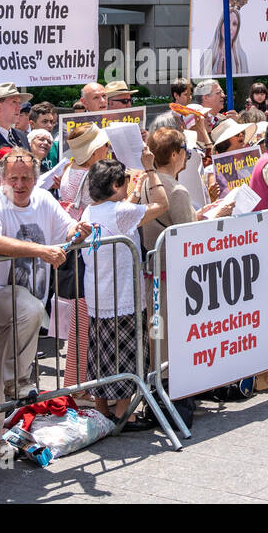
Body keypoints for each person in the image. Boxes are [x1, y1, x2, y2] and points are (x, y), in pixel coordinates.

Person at [0, 149, 92, 456]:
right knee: (25, 316)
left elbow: (67, 228)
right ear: (2, 179)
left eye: (26, 178)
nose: (20, 184)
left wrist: (77, 230)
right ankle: (17, 381)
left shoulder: (43, 200)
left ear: (36, 179)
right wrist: (40, 251)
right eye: (13, 178)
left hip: (28, 302)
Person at [81, 156, 168, 427]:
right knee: (129, 356)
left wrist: (134, 187)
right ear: (116, 185)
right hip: (124, 298)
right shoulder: (120, 212)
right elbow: (161, 205)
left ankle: (101, 411)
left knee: (101, 356)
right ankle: (121, 414)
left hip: (99, 296)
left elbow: (122, 214)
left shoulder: (90, 211)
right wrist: (151, 170)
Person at [199, 9, 248, 76]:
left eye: (234, 24)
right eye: (226, 22)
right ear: (220, 24)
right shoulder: (208, 54)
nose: (229, 27)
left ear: (237, 29)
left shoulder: (241, 56)